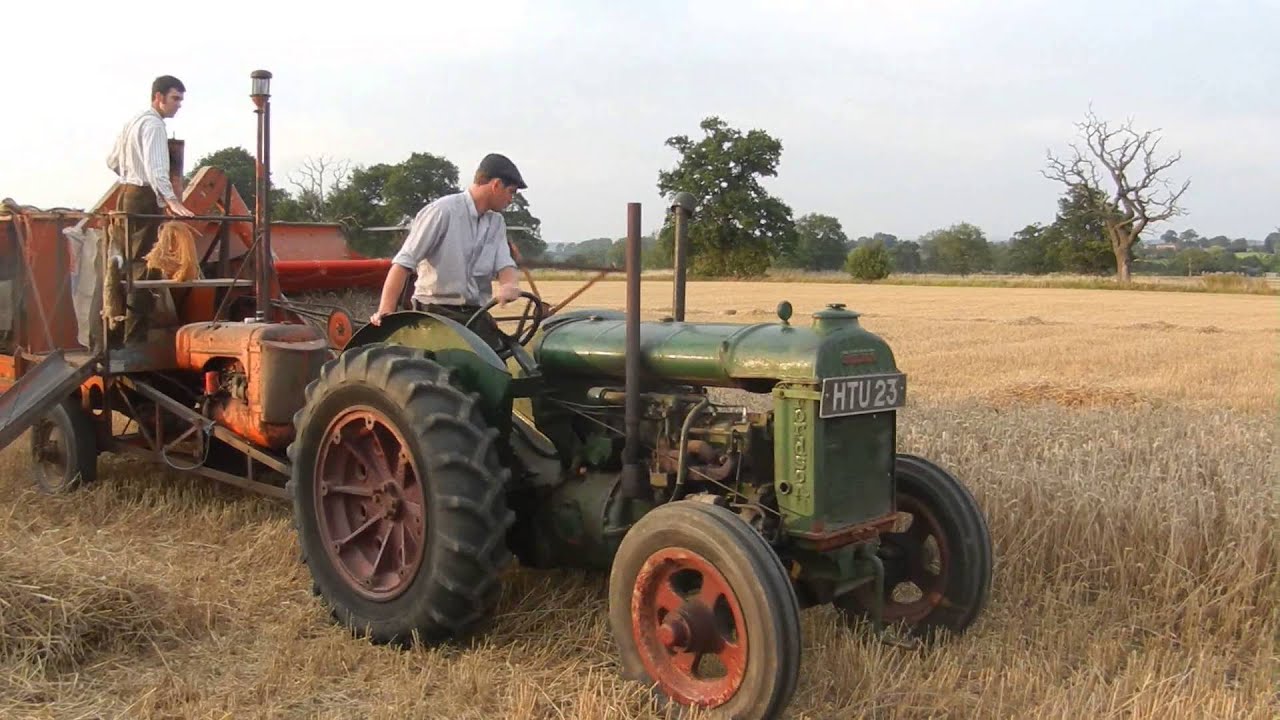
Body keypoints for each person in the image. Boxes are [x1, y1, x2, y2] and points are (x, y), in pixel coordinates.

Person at [369, 153, 532, 352]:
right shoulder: (443, 212)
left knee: (509, 358)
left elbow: (504, 264)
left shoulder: (496, 222)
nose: (511, 199)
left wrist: (509, 285)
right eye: (511, 192)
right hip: (437, 312)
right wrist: (386, 312)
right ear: (496, 184)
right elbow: (404, 263)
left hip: (474, 313)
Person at [102, 74, 195, 344]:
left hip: (126, 196)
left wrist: (130, 174)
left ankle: (115, 336)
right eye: (175, 98)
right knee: (146, 266)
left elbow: (111, 161)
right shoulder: (154, 125)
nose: (179, 105)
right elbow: (157, 169)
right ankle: (134, 339)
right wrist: (172, 201)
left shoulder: (133, 122)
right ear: (159, 97)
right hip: (143, 198)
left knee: (121, 264)